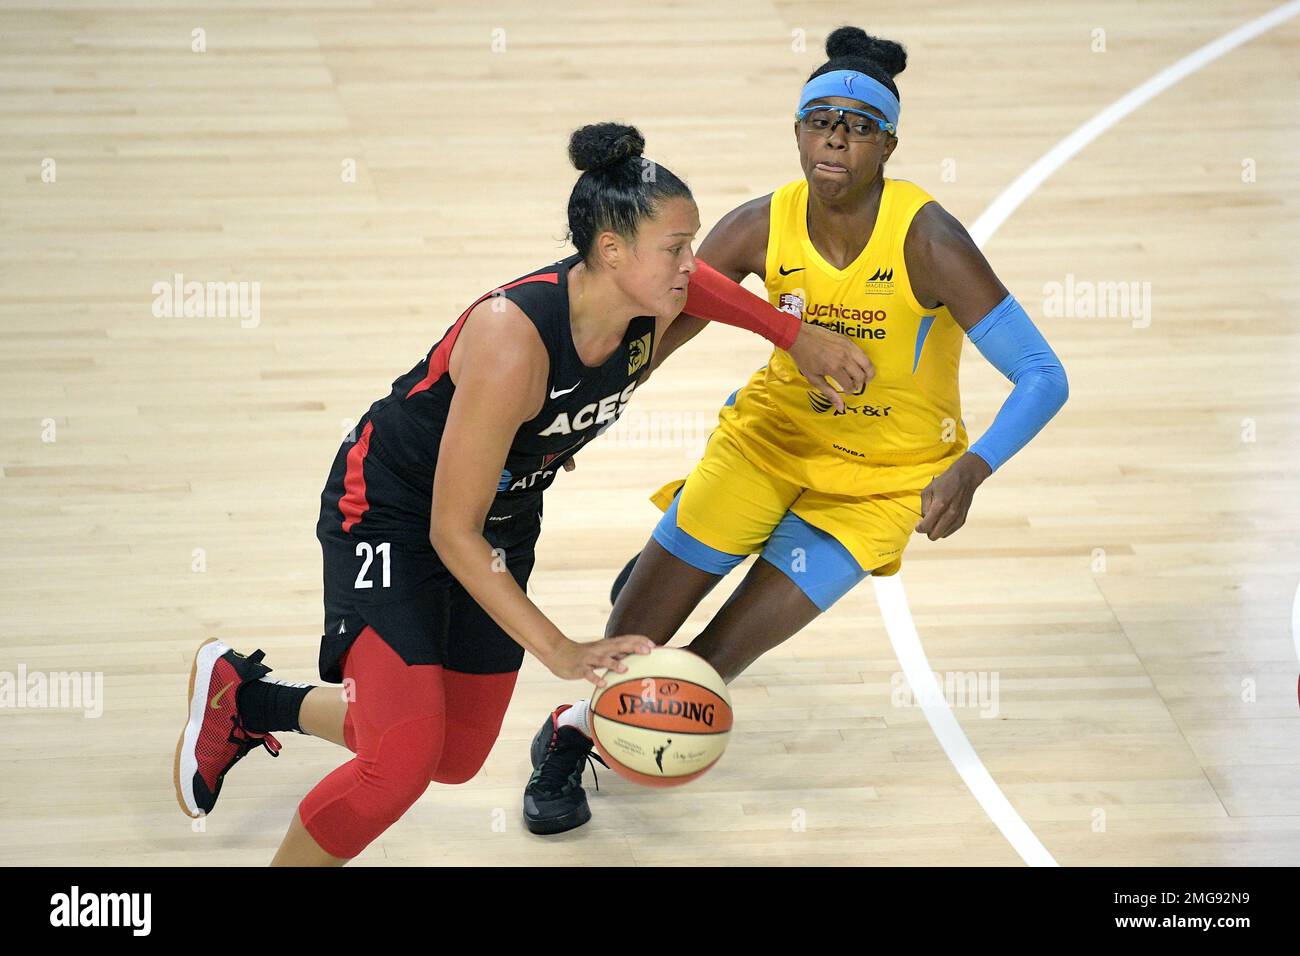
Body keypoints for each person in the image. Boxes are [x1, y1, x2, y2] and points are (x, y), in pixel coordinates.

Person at [172, 121, 871, 865]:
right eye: (676, 246)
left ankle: (246, 702)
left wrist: (793, 337)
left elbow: (700, 286)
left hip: (501, 515)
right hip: (393, 514)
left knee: (454, 755)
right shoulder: (515, 338)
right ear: (610, 251)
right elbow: (452, 533)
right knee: (398, 766)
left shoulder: (648, 298)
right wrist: (562, 649)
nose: (693, 265)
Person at [522, 26, 1070, 835]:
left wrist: (973, 468)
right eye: (819, 119)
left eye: (857, 124)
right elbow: (663, 328)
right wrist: (574, 423)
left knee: (707, 668)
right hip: (766, 445)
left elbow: (1043, 375)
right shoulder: (758, 224)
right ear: (798, 133)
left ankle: (590, 729)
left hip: (882, 484)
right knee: (632, 636)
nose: (836, 137)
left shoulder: (929, 239)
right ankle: (575, 724)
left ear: (889, 142)